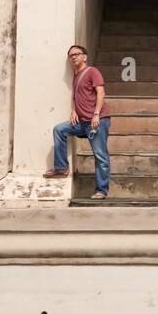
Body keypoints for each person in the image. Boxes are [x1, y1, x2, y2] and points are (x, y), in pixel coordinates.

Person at [45, 45, 112, 200]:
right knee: (59, 129)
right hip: (82, 122)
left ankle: (102, 190)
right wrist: (74, 110)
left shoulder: (92, 72)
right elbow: (76, 95)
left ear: (85, 57)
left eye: (77, 54)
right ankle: (61, 168)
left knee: (100, 156)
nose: (73, 57)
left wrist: (96, 114)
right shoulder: (76, 75)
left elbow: (101, 92)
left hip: (97, 121)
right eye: (71, 55)